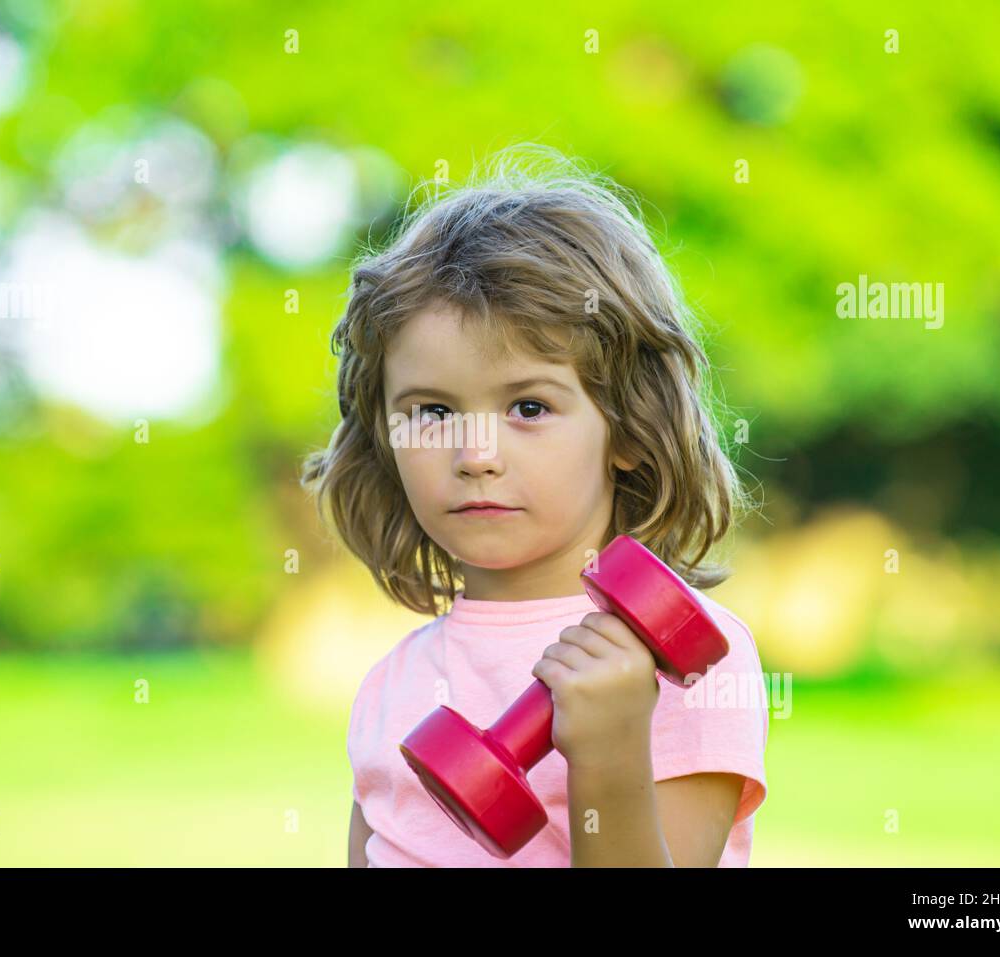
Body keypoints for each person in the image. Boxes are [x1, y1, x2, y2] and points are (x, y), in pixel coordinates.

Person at [301, 143, 768, 867]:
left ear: (628, 429)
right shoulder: (389, 686)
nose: (476, 454)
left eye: (527, 405)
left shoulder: (689, 665)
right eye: (432, 411)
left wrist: (610, 756)